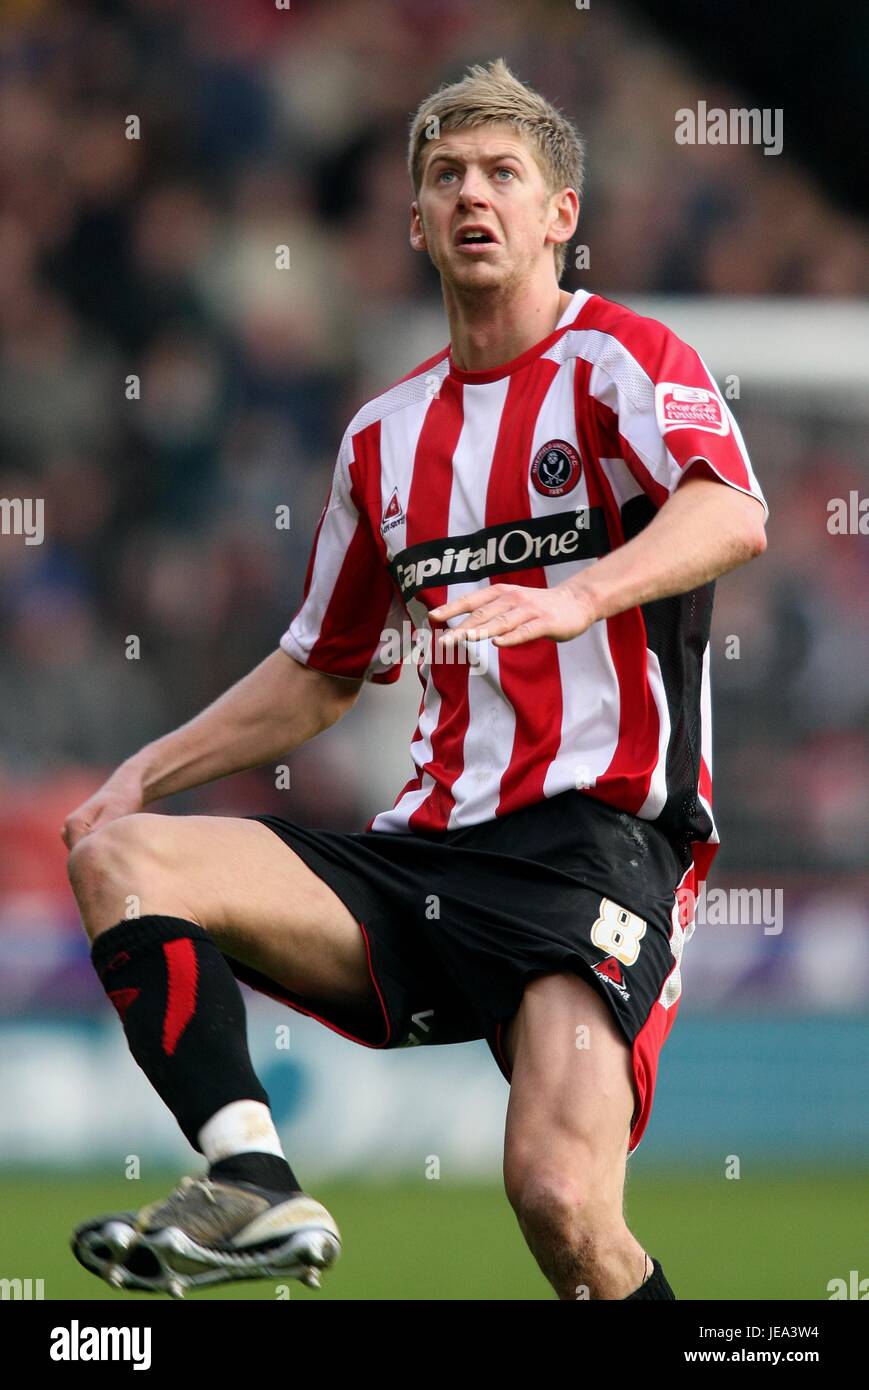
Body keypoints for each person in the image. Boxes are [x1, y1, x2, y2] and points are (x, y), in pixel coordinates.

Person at [64, 58, 767, 1300]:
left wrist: (580, 593)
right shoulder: (382, 436)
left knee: (559, 1203)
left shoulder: (624, 360)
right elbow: (319, 670)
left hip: (594, 847)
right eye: (444, 176)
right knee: (126, 856)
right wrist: (144, 770)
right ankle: (250, 1182)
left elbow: (730, 512)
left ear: (560, 214)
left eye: (503, 174)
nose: (470, 195)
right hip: (427, 852)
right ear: (414, 222)